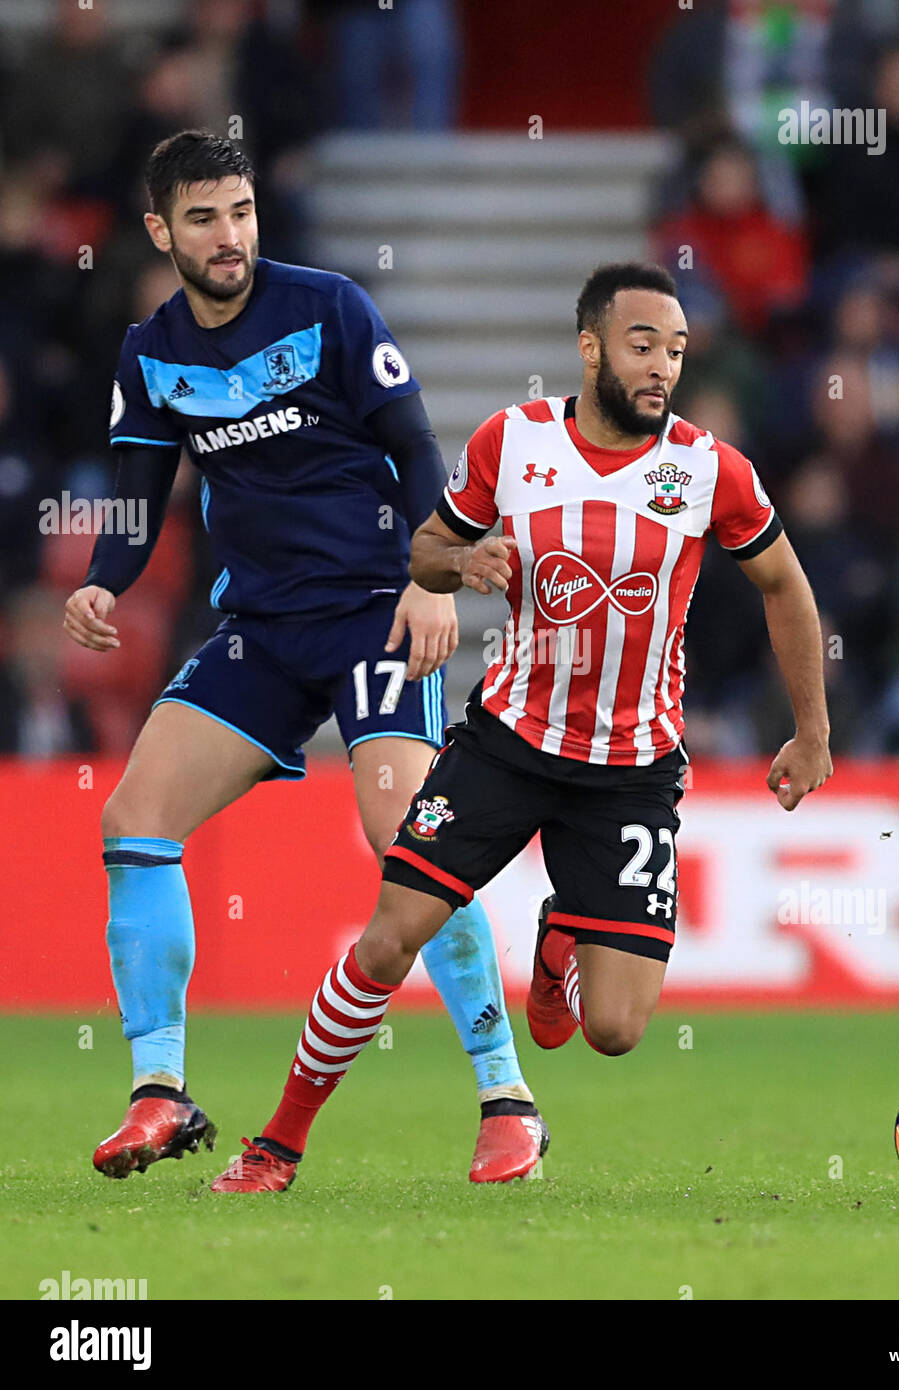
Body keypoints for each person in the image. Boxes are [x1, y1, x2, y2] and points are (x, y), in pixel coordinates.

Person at [213, 262, 833, 1193]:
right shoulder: (513, 443)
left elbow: (784, 583)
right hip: (507, 739)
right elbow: (424, 548)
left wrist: (812, 731)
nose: (662, 367)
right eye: (641, 346)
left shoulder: (709, 469)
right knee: (388, 940)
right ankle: (277, 1145)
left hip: (632, 765)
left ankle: (560, 942)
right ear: (589, 349)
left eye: (675, 351)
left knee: (614, 1031)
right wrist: (465, 561)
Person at [63, 130, 545, 1187]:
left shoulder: (328, 306)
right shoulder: (152, 352)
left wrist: (433, 575)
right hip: (265, 631)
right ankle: (159, 1092)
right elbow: (140, 494)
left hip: (377, 609)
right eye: (203, 218)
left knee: (405, 840)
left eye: (239, 211)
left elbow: (420, 449)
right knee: (133, 820)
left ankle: (508, 1099)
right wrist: (106, 576)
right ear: (160, 230)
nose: (229, 235)